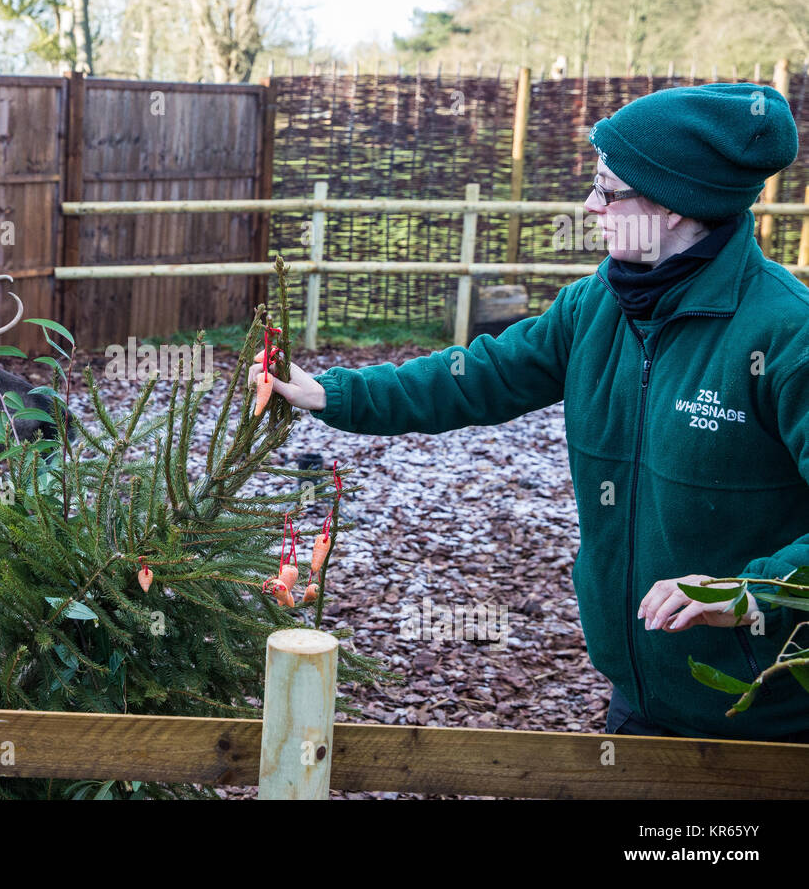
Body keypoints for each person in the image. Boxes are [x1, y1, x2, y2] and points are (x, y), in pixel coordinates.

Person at [253, 82, 809, 742]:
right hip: (639, 698)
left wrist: (749, 593)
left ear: (674, 204)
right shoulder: (595, 305)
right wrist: (332, 393)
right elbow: (476, 376)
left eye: (607, 190)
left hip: (772, 717)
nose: (589, 205)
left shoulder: (785, 335)